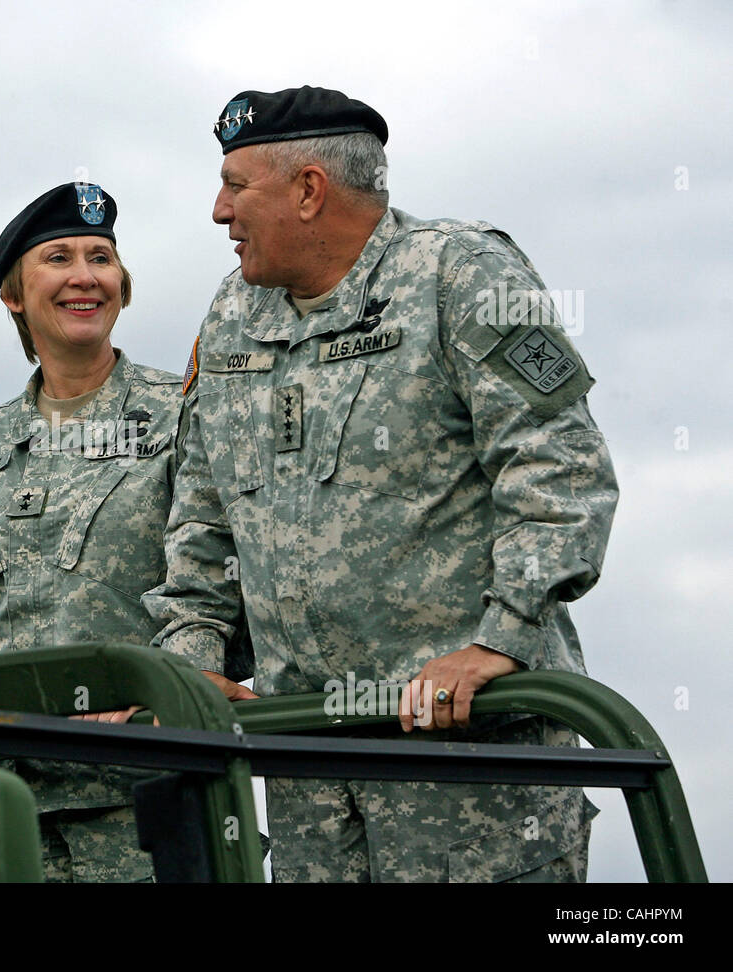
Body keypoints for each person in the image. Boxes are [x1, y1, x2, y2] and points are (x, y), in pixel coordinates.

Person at [144, 86, 619, 882]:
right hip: (311, 774)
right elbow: (202, 521)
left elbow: (561, 469)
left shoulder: (458, 275)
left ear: (308, 190)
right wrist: (192, 660)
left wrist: (498, 638)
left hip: (471, 768)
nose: (218, 210)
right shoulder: (232, 314)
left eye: (235, 184)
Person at [0, 183, 182, 882]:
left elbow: (230, 586)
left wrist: (170, 692)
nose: (85, 276)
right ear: (14, 295)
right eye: (58, 258)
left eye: (102, 257)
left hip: (142, 805)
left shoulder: (181, 414)